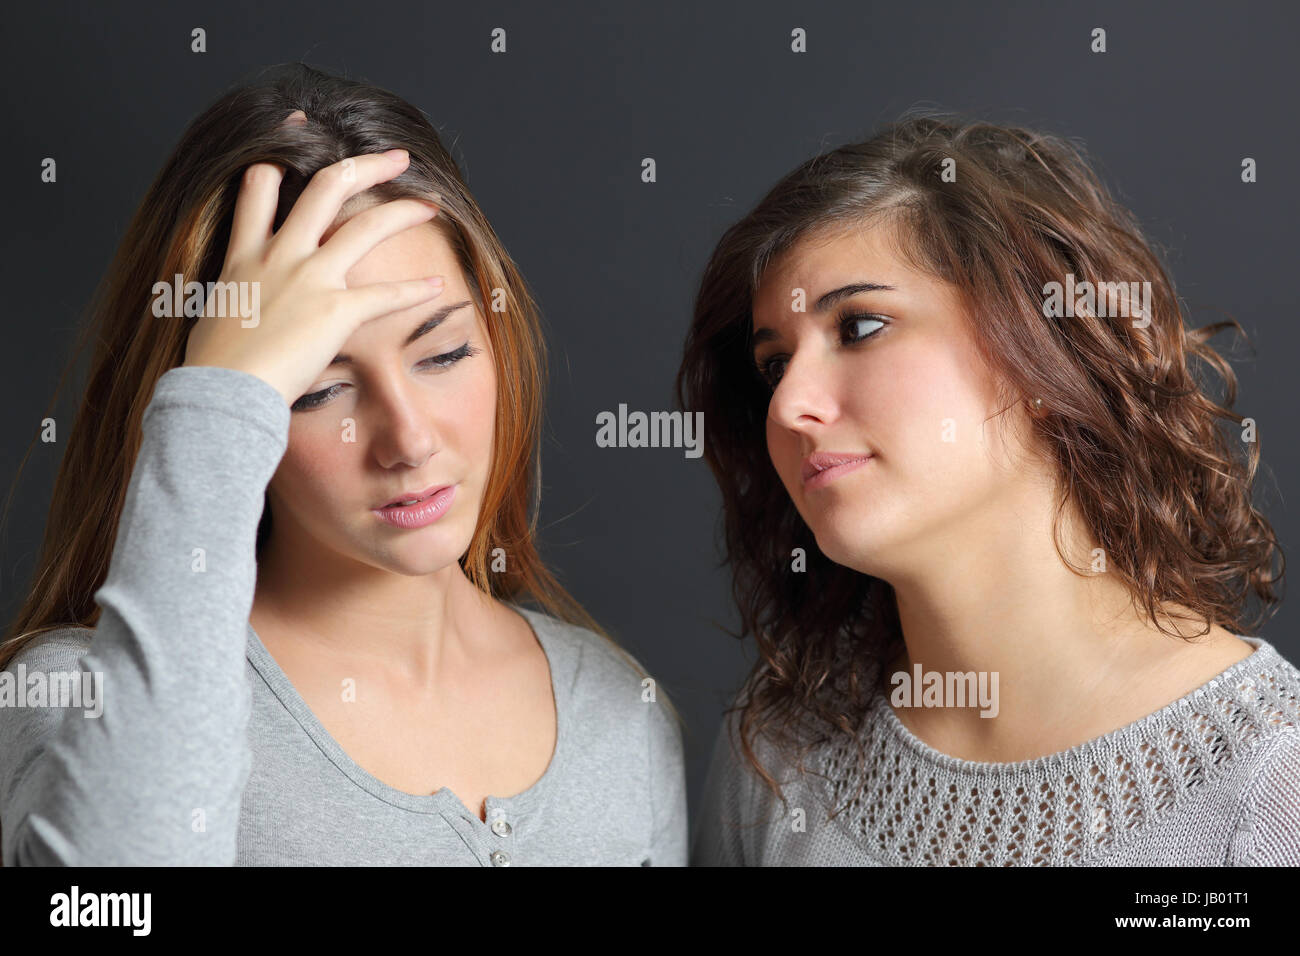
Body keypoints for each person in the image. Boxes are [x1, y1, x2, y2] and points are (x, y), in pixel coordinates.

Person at [0, 62, 686, 866]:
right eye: (317, 391)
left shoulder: (621, 712)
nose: (408, 440)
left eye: (444, 352)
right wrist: (221, 399)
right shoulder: (83, 699)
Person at [680, 111, 1299, 866]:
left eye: (860, 326)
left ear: (1043, 352)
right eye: (775, 364)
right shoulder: (778, 751)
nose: (787, 404)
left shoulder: (1272, 784)